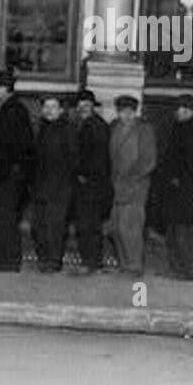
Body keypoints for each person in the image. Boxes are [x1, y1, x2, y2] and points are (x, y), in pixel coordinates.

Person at [0, 71, 34, 272]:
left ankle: (10, 260)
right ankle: (5, 257)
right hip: (2, 173)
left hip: (9, 175)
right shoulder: (2, 108)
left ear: (5, 89)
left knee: (6, 217)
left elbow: (6, 146)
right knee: (1, 216)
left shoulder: (13, 111)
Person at [157, 94, 193, 280]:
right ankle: (178, 267)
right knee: (174, 231)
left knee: (187, 232)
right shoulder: (175, 130)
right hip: (175, 190)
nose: (180, 113)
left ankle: (189, 269)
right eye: (178, 110)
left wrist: (180, 177)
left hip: (189, 190)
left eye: (184, 110)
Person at [106, 95, 157, 278]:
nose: (126, 115)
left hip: (136, 185)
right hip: (116, 184)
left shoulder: (144, 130)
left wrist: (133, 176)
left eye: (130, 112)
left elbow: (149, 160)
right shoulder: (113, 128)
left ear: (135, 112)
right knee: (116, 226)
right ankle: (123, 264)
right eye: (122, 112)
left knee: (131, 226)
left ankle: (134, 266)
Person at [29, 94, 77, 272]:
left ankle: (53, 261)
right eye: (46, 107)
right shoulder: (41, 128)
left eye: (53, 107)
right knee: (39, 225)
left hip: (59, 187)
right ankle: (44, 258)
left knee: (55, 226)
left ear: (61, 110)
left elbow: (73, 159)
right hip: (40, 185)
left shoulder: (68, 130)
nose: (48, 111)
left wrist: (64, 181)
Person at [71, 90, 112, 274]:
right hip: (87, 183)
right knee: (85, 223)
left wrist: (84, 174)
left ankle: (91, 261)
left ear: (93, 107)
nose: (82, 109)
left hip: (92, 184)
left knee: (89, 224)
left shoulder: (96, 126)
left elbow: (99, 157)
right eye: (80, 106)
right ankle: (90, 260)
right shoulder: (84, 124)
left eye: (86, 106)